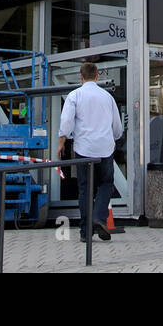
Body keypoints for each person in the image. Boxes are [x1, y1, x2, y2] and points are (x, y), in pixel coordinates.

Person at [56, 62, 122, 243]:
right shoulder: (107, 97)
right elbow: (117, 127)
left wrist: (61, 142)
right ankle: (99, 217)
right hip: (105, 149)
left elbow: (66, 121)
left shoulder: (74, 95)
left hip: (83, 148)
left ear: (81, 76)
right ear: (97, 76)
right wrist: (114, 138)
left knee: (85, 188)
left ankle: (86, 232)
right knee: (106, 183)